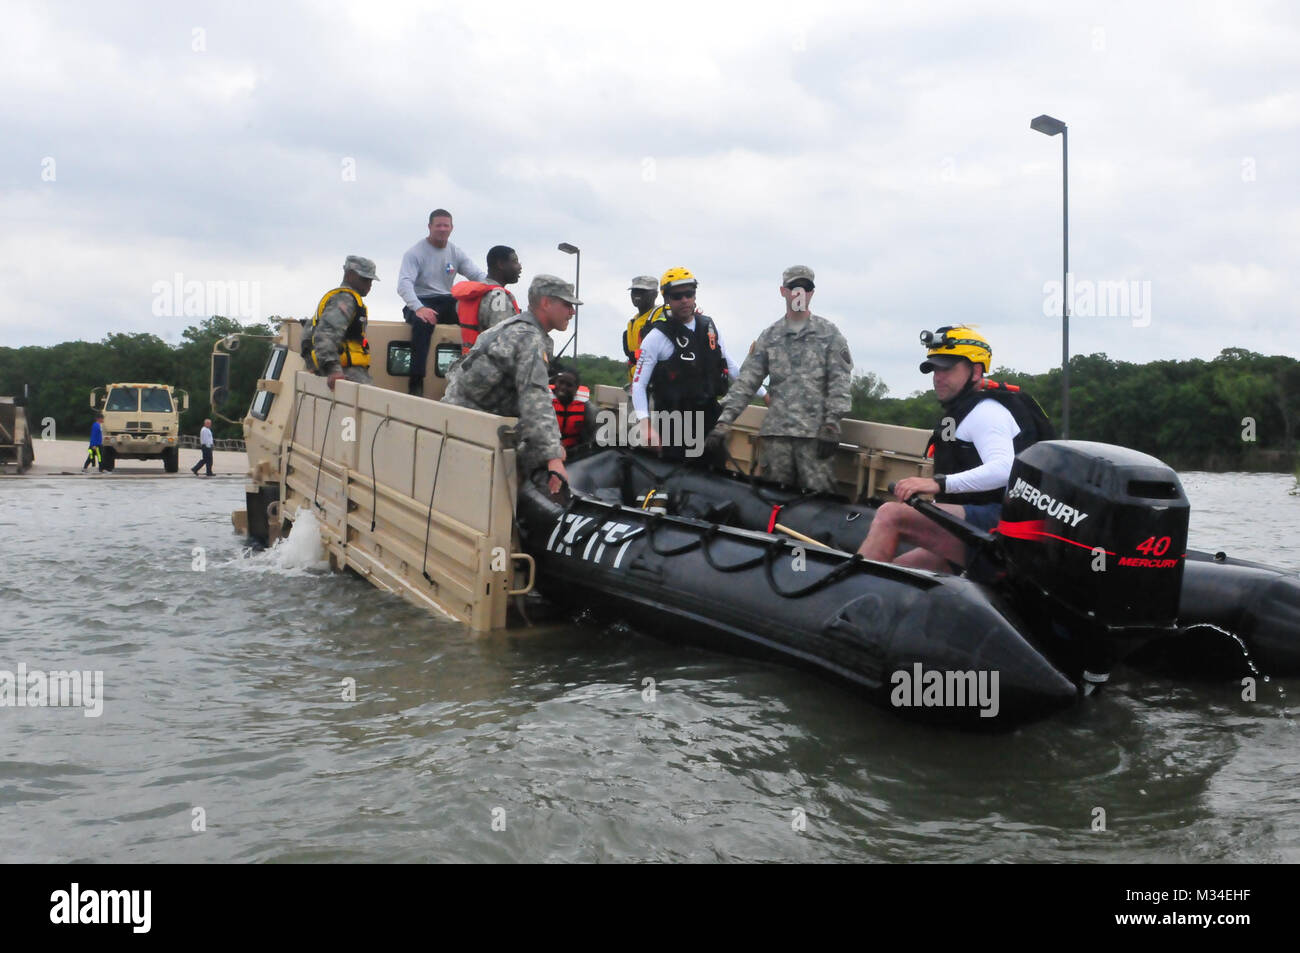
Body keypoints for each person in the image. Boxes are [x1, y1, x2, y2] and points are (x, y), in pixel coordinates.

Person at [856, 326, 1053, 570]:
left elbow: (1005, 469)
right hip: (980, 522)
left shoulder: (986, 413)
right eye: (934, 369)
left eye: (947, 368)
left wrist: (939, 483)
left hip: (1002, 529)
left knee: (891, 515)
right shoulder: (963, 411)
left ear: (976, 371)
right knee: (901, 573)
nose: (938, 377)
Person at [705, 266, 852, 493]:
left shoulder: (830, 335)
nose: (799, 293)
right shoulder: (770, 336)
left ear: (812, 293)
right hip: (777, 440)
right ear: (783, 291)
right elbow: (746, 382)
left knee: (818, 501)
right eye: (794, 288)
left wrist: (832, 424)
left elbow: (840, 383)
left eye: (805, 288)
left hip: (815, 438)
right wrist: (724, 422)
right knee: (773, 499)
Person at [443, 275, 580, 495]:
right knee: (539, 459)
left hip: (460, 419)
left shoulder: (513, 326)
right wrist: (553, 457)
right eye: (567, 305)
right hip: (471, 427)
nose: (572, 312)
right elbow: (534, 399)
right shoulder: (528, 337)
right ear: (546, 303)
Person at [631, 267, 746, 459]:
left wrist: (765, 394)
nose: (684, 300)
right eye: (677, 296)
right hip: (673, 424)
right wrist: (645, 424)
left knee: (714, 471)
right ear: (666, 299)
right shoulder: (656, 337)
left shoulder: (709, 328)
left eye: (689, 294)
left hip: (709, 422)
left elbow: (730, 365)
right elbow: (638, 384)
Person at [397, 209, 487, 395]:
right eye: (438, 225)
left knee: (478, 315)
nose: (442, 229)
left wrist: (496, 288)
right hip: (421, 300)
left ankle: (476, 377)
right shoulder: (415, 253)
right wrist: (419, 308)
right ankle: (416, 383)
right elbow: (404, 284)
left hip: (446, 300)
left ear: (452, 228)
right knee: (423, 323)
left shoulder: (455, 252)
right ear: (429, 227)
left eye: (446, 226)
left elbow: (477, 275)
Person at [310, 256, 378, 390]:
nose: (369, 285)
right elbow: (324, 335)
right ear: (350, 275)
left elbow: (309, 334)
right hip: (346, 374)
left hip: (347, 372)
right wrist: (333, 370)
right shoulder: (345, 299)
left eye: (371, 281)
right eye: (365, 279)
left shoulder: (342, 298)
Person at [451, 245, 523, 355]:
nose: (519, 266)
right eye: (515, 262)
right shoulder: (498, 297)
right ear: (501, 264)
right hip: (490, 363)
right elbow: (502, 344)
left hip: (468, 361)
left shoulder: (468, 296)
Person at [621, 275, 661, 385]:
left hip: (656, 384)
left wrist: (636, 355)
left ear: (655, 295)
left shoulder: (660, 317)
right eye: (634, 291)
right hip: (637, 384)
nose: (637, 295)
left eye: (642, 292)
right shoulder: (633, 322)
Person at [550, 364, 597, 452]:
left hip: (574, 454)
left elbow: (593, 436)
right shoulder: (544, 401)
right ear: (555, 382)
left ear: (576, 388)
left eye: (569, 385)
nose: (563, 387)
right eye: (561, 382)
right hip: (547, 451)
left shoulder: (587, 408)